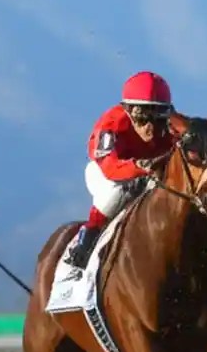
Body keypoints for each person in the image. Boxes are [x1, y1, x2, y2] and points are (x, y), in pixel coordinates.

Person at [61, 71, 177, 281]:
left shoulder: (173, 126)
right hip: (108, 172)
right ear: (128, 110)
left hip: (149, 172)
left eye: (157, 120)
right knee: (117, 191)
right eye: (142, 119)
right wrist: (141, 167)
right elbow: (110, 168)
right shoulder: (111, 124)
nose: (150, 128)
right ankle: (86, 241)